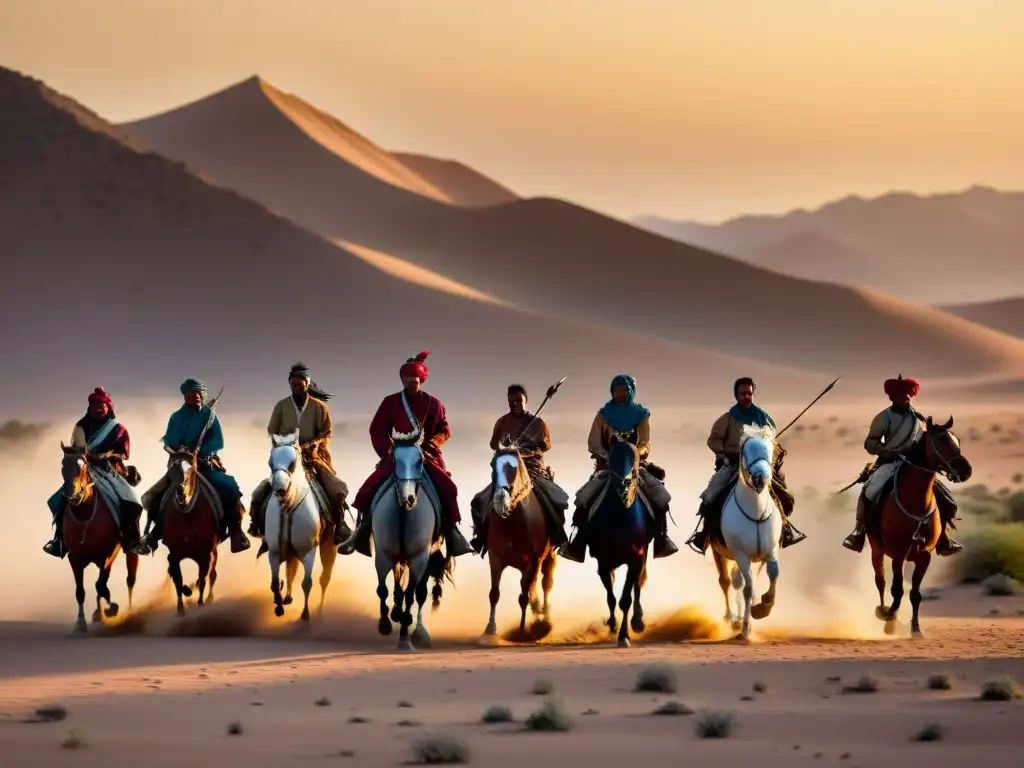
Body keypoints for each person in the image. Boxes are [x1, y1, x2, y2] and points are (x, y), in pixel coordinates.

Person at [339, 352, 474, 558]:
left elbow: (444, 430)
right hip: (398, 456)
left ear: (422, 381)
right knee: (368, 488)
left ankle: (452, 531)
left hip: (425, 456)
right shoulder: (390, 402)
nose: (412, 385)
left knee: (448, 487)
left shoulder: (434, 404)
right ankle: (362, 531)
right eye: (408, 381)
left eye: (416, 381)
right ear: (402, 380)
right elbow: (377, 430)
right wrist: (388, 451)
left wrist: (432, 443)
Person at [558, 374, 678, 563]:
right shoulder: (603, 415)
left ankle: (662, 538)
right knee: (583, 498)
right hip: (608, 467)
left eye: (623, 390)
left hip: (634, 467)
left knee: (661, 496)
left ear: (631, 391)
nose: (619, 394)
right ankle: (578, 543)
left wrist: (634, 454)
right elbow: (594, 442)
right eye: (616, 390)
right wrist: (608, 456)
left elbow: (645, 442)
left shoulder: (641, 414)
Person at [842, 374, 962, 555]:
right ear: (893, 397)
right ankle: (858, 531)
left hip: (916, 466)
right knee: (870, 491)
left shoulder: (919, 419)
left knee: (946, 499)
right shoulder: (883, 418)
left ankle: (944, 537)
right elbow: (870, 443)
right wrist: (885, 451)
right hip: (889, 463)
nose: (906, 399)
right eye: (902, 396)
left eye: (908, 396)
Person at [685, 377, 805, 554]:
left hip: (759, 467)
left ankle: (785, 530)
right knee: (710, 497)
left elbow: (773, 443)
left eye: (749, 393)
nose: (746, 396)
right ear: (737, 395)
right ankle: (705, 534)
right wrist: (727, 452)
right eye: (743, 393)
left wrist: (772, 451)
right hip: (733, 466)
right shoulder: (727, 419)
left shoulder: (764, 418)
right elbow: (713, 441)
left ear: (753, 394)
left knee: (785, 497)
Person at [133, 379, 251, 554]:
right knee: (157, 496)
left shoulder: (210, 416)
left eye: (198, 394)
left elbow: (217, 441)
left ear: (202, 396)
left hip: (204, 464)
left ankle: (236, 533)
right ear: (185, 397)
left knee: (230, 488)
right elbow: (170, 439)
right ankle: (153, 536)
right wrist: (180, 448)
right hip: (180, 462)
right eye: (190, 395)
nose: (195, 397)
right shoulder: (176, 417)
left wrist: (202, 453)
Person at [248, 363, 352, 556]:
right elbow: (272, 430)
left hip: (313, 458)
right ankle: (259, 528)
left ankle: (340, 526)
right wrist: (282, 447)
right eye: (292, 384)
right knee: (260, 492)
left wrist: (314, 444)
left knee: (337, 489)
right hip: (287, 459)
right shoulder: (281, 405)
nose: (295, 387)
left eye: (299, 383)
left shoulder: (319, 407)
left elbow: (326, 433)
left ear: (307, 383)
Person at [44, 387, 144, 558]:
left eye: (102, 404)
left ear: (109, 407)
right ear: (89, 407)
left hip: (109, 469)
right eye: (95, 404)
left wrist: (108, 454)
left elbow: (124, 453)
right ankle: (58, 540)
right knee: (55, 501)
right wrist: (81, 455)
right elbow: (76, 448)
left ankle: (133, 540)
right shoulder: (80, 427)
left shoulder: (118, 429)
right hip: (84, 468)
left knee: (133, 502)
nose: (98, 407)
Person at [469, 384, 569, 555]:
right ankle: (481, 537)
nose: (515, 404)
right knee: (479, 501)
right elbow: (494, 445)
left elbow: (544, 446)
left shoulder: (538, 423)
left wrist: (523, 450)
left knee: (557, 499)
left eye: (519, 401)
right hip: (508, 470)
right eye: (511, 401)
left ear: (525, 401)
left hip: (533, 471)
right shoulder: (502, 422)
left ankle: (558, 537)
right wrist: (508, 446)